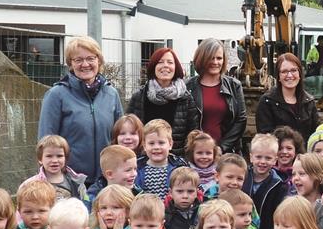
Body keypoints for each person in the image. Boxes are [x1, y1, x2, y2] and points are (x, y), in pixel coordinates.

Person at [38, 36, 124, 184]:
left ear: (99, 60)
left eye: (91, 58)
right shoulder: (57, 95)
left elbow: (120, 136)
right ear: (70, 64)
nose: (85, 64)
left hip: (107, 178)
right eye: (78, 60)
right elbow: (46, 142)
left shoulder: (111, 94)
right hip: (69, 180)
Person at [127, 46, 201, 150]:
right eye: (160, 62)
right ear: (153, 66)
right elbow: (129, 131)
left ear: (176, 68)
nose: (165, 66)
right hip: (144, 160)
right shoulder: (139, 97)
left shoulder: (186, 98)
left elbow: (193, 134)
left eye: (170, 62)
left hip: (176, 161)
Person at [186, 39, 247, 155]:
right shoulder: (188, 87)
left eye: (219, 58)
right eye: (211, 58)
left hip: (227, 154)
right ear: (202, 59)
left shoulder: (234, 86)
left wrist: (222, 148)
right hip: (197, 154)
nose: (215, 62)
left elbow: (241, 119)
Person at [256, 53, 320, 141]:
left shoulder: (309, 102)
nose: (289, 75)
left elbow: (316, 134)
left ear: (300, 74)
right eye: (284, 71)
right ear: (278, 76)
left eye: (293, 70)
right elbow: (265, 137)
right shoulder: (267, 102)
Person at [244, 133, 289, 229]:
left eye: (268, 158)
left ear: (275, 160)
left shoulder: (279, 186)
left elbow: (279, 213)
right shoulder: (243, 177)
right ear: (251, 157)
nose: (263, 162)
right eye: (258, 157)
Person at [20, 135, 88, 204]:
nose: (55, 160)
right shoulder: (30, 185)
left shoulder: (76, 182)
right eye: (49, 156)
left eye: (59, 156)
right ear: (40, 159)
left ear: (65, 158)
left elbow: (86, 201)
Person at [135, 119, 188, 199]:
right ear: (145, 146)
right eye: (151, 143)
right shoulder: (137, 167)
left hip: (171, 210)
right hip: (146, 209)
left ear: (170, 144)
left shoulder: (179, 166)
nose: (156, 147)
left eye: (161, 143)